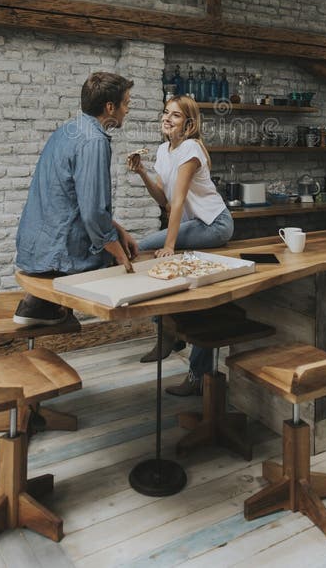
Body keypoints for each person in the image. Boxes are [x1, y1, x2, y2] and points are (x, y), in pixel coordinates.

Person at [127, 95, 234, 395]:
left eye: (175, 115)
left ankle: (169, 333)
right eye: (165, 112)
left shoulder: (190, 148)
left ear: (189, 123)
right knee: (191, 291)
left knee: (143, 250)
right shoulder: (163, 150)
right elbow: (163, 198)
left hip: (215, 224)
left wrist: (170, 245)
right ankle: (171, 334)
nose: (167, 118)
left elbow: (178, 202)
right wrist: (142, 173)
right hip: (194, 226)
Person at [14, 71, 139, 326]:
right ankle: (43, 306)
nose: (127, 110)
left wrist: (118, 229)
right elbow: (91, 211)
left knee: (116, 244)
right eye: (126, 103)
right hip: (57, 253)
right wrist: (117, 252)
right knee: (131, 266)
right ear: (109, 107)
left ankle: (40, 304)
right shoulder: (94, 141)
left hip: (34, 246)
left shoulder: (69, 129)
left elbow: (73, 200)